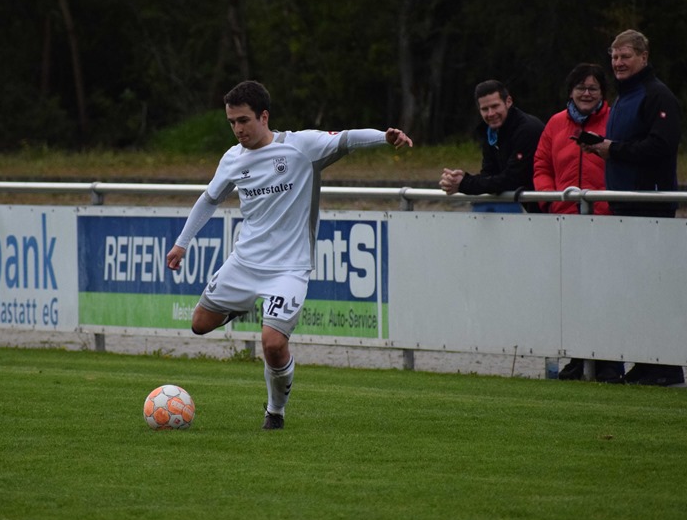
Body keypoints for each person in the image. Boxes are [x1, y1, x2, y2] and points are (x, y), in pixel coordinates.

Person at [166, 80, 413, 429]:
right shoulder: (232, 159)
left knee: (273, 344)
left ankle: (275, 412)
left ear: (264, 116)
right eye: (232, 122)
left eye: (244, 120)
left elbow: (346, 138)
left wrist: (384, 137)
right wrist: (182, 242)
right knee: (199, 325)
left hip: (289, 268)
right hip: (244, 262)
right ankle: (242, 303)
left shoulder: (301, 147)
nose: (238, 129)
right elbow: (210, 199)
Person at [581, 29, 683, 386]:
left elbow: (661, 145)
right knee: (635, 288)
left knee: (653, 286)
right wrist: (604, 148)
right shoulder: (624, 98)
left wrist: (613, 149)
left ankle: (667, 367)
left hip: (651, 204)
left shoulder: (657, 95)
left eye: (625, 56)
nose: (618, 63)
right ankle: (647, 360)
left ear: (643, 56)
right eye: (614, 56)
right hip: (624, 205)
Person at [533, 63, 622, 382]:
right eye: (581, 88)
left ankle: (610, 361)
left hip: (606, 220)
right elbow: (542, 164)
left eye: (593, 88)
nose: (586, 93)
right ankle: (579, 357)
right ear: (570, 91)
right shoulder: (556, 123)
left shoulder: (616, 119)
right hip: (566, 220)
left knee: (606, 293)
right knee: (572, 294)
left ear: (602, 93)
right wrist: (549, 197)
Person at [439, 80, 545, 213]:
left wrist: (465, 183)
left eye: (495, 106)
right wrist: (457, 180)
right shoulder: (491, 132)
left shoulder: (527, 130)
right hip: (527, 209)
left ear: (508, 102)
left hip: (549, 209)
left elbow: (512, 179)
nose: (491, 114)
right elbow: (489, 174)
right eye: (485, 109)